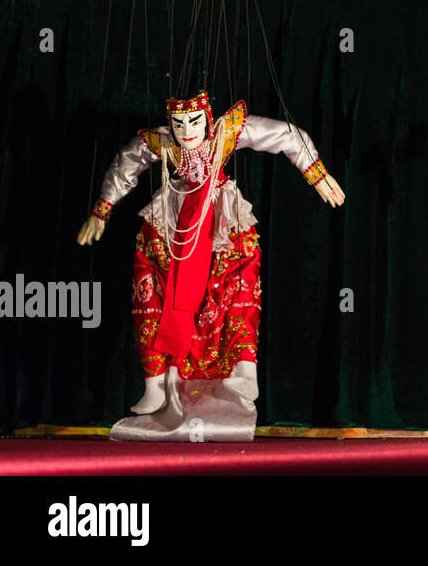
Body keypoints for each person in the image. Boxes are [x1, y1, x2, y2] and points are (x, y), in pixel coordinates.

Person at [77, 91, 344, 440]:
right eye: (178, 124)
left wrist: (315, 172)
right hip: (174, 219)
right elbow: (127, 161)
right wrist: (102, 209)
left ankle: (244, 369)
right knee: (152, 286)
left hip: (219, 216)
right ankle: (157, 381)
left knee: (237, 285)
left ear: (208, 117)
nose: (187, 131)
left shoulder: (227, 133)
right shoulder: (162, 142)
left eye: (194, 122)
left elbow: (285, 135)